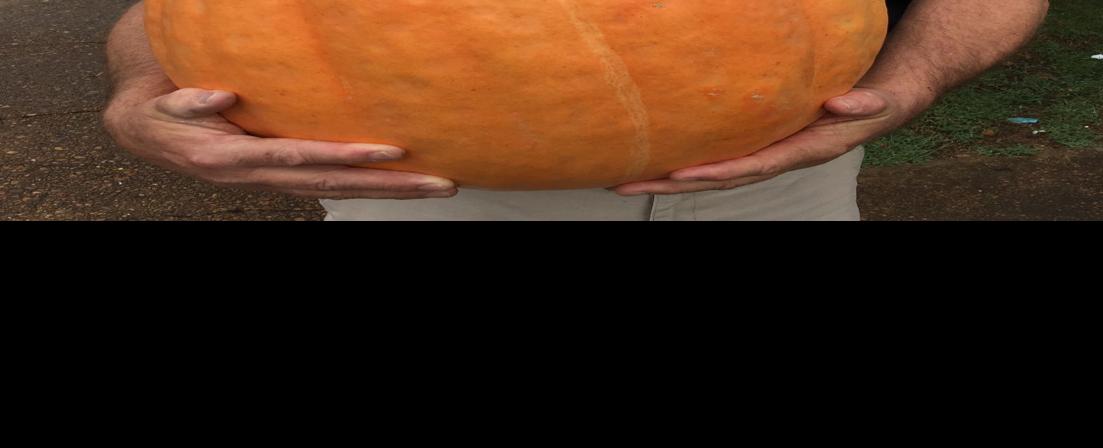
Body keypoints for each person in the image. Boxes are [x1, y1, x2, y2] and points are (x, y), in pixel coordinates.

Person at [103, 1, 1048, 221]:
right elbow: (171, 13)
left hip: (784, 162)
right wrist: (143, 93)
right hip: (433, 187)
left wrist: (911, 82)